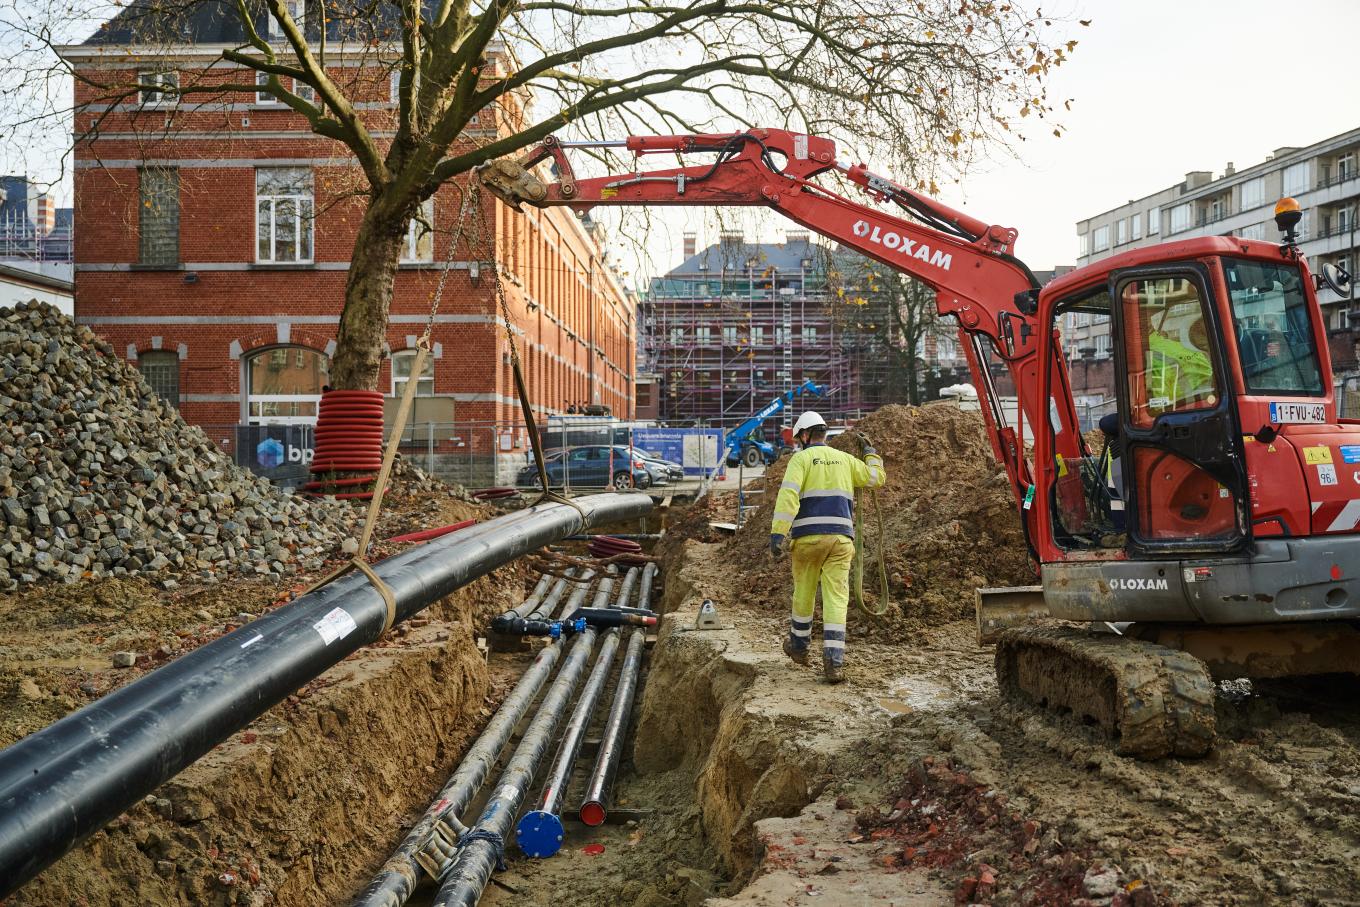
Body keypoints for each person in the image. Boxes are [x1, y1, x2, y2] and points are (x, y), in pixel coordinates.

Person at [769, 411, 886, 683]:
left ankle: (798, 647)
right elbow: (876, 478)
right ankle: (834, 661)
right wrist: (870, 452)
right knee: (836, 598)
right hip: (841, 541)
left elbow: (788, 496)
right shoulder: (846, 460)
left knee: (804, 593)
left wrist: (777, 534)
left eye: (800, 438)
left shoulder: (801, 459)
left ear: (805, 436)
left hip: (808, 539)